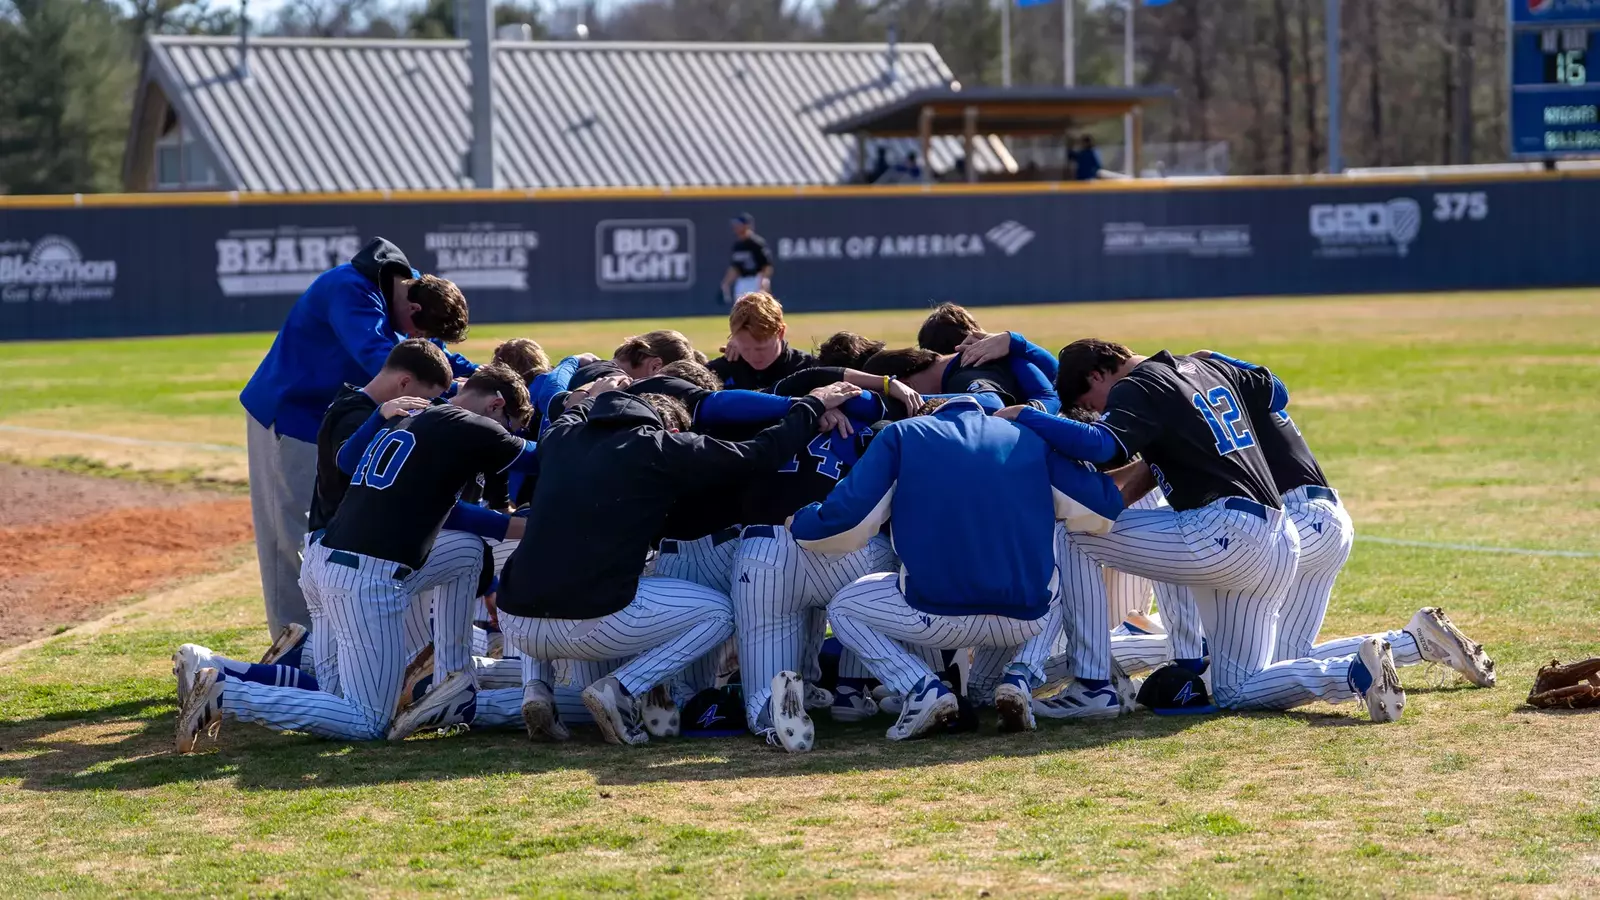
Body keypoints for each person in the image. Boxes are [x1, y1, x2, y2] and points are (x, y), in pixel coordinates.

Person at [1003, 339, 1407, 722]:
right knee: (1237, 689)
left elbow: (1101, 445)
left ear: (1096, 375)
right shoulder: (1207, 366)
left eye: (1088, 404)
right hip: (1279, 537)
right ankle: (1353, 673)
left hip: (1223, 532)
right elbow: (1277, 391)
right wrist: (1221, 358)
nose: (1094, 413)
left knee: (1076, 537)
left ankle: (1093, 687)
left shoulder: (1137, 385)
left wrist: (1025, 415)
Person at [175, 365, 537, 752]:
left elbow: (349, 462)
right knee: (367, 720)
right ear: (497, 404)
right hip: (364, 577)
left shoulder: (414, 414)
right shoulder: (468, 424)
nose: (504, 435)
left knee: (466, 551)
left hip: (326, 561)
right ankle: (228, 694)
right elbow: (543, 456)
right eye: (507, 424)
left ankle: (452, 679)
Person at [489, 377, 865, 746]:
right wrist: (813, 403)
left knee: (548, 589)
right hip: (596, 620)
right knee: (720, 615)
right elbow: (759, 454)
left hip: (516, 624)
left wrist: (592, 393)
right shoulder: (659, 445)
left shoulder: (560, 435)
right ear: (668, 425)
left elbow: (564, 402)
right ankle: (627, 686)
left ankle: (536, 687)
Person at [1151, 350, 1496, 690]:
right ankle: (1417, 642)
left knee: (1179, 543)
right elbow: (1276, 389)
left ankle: (1171, 657)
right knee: (1287, 661)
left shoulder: (1217, 399)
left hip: (1298, 520)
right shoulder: (1238, 391)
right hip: (1325, 519)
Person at [791, 396, 1128, 740]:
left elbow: (845, 521)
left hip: (934, 616)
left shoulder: (903, 434)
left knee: (844, 608)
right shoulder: (1029, 437)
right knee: (1056, 575)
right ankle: (1021, 676)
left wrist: (802, 521)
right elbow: (1103, 509)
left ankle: (921, 689)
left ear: (932, 412)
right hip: (1024, 620)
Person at [239, 237, 474, 638]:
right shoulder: (348, 288)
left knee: (339, 531)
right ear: (413, 309)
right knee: (291, 536)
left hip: (344, 422)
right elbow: (384, 358)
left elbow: (432, 355)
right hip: (293, 417)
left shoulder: (415, 293)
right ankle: (296, 648)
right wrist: (456, 392)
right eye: (421, 330)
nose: (423, 339)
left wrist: (482, 377)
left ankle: (333, 641)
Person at [707, 292, 818, 391]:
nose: (754, 356)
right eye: (745, 348)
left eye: (761, 348)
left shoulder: (810, 370)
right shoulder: (717, 373)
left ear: (780, 333)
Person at [720, 213, 772, 303]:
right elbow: (734, 268)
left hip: (756, 280)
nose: (736, 227)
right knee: (740, 311)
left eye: (739, 224)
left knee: (757, 311)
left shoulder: (757, 243)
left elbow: (766, 265)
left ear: (747, 225)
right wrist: (725, 283)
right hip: (742, 281)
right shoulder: (737, 245)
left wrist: (763, 281)